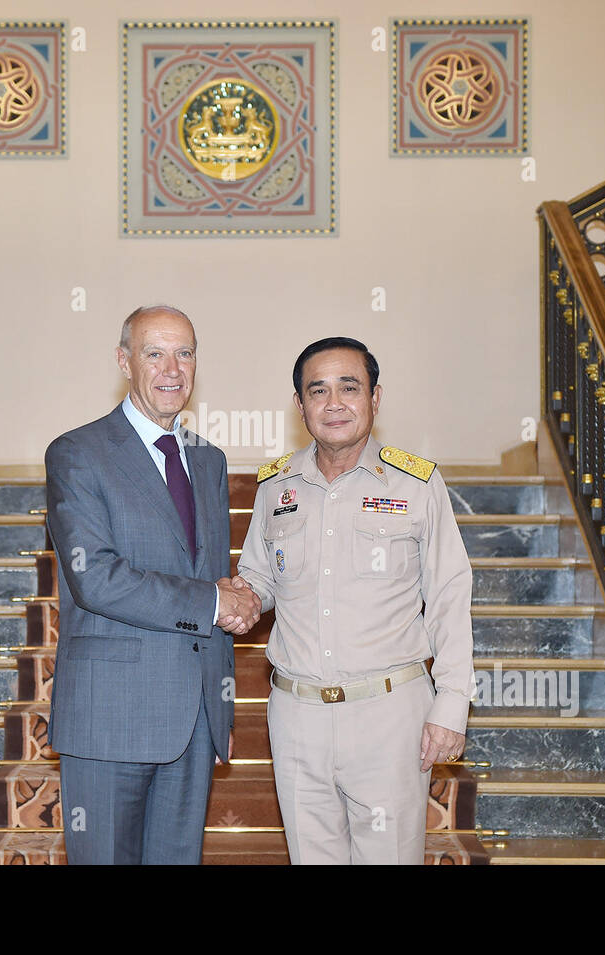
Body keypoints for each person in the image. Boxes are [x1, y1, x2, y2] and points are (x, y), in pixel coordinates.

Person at [233, 336, 473, 864]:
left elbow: (450, 593)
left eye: (349, 387)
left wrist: (451, 703)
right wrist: (240, 597)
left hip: (389, 714)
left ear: (375, 398)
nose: (334, 403)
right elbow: (260, 575)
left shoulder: (417, 484)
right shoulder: (277, 487)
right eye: (317, 391)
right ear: (300, 406)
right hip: (297, 715)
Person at [44, 305, 261, 864]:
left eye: (184, 353)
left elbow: (211, 579)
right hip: (110, 719)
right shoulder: (78, 453)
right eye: (154, 353)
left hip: (192, 722)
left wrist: (220, 708)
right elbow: (98, 579)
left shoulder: (208, 461)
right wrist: (217, 602)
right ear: (124, 360)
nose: (172, 368)